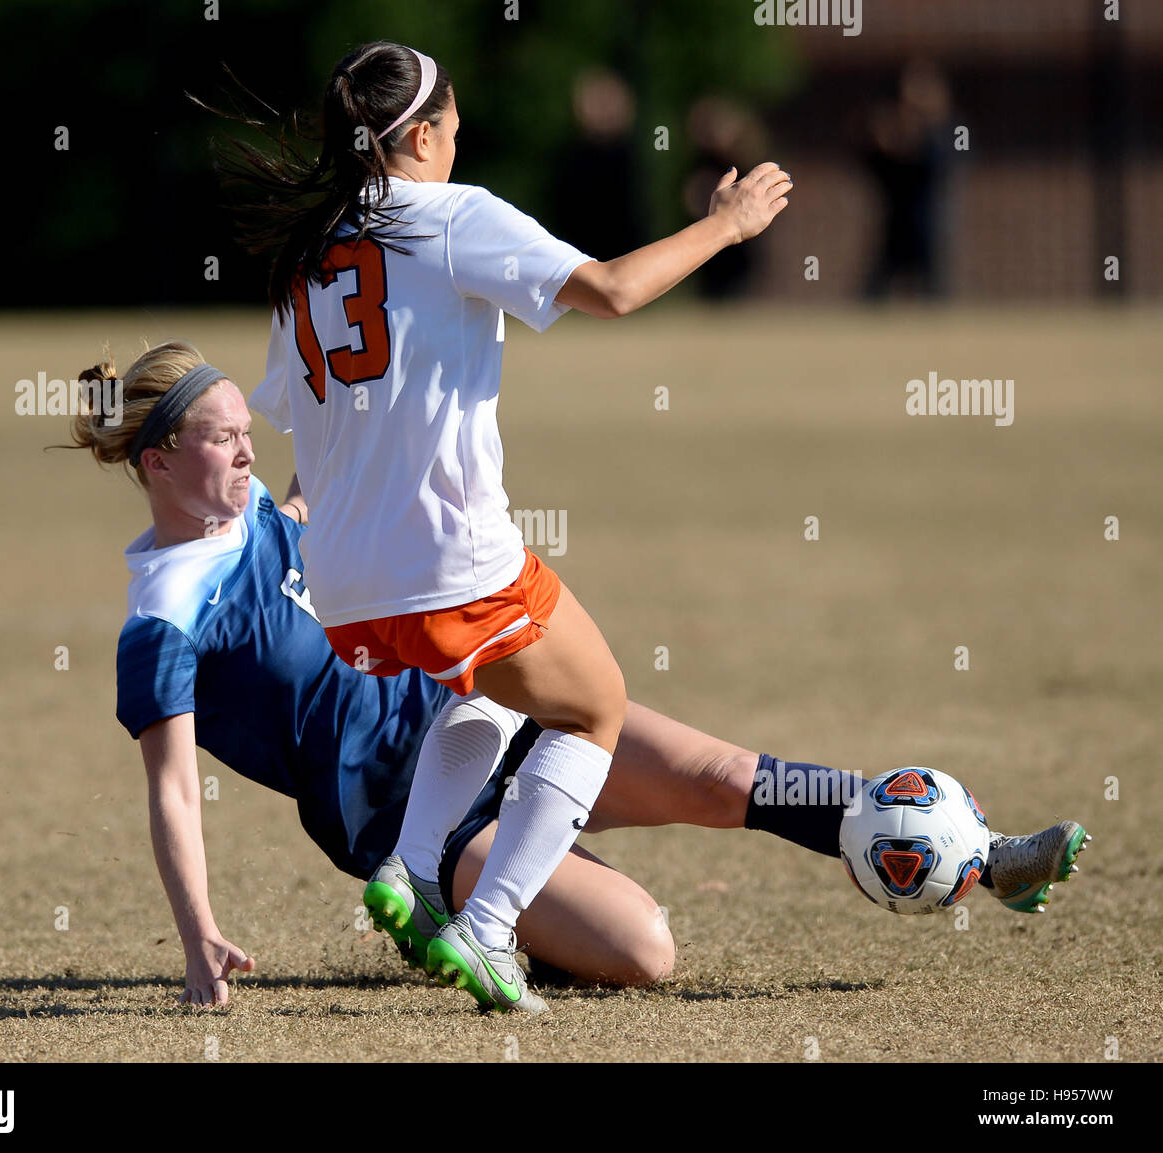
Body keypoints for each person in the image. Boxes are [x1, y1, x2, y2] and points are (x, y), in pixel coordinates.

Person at [66, 341, 1091, 1010]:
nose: (247, 452)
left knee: (729, 778)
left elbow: (330, 463)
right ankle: (444, 912)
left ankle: (982, 854)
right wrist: (198, 939)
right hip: (399, 812)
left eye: (251, 431)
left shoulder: (263, 517)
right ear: (157, 459)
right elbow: (171, 789)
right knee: (645, 949)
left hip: (492, 699)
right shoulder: (164, 614)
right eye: (222, 439)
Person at [234, 40, 794, 1014]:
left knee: (494, 692)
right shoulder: (453, 218)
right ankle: (488, 930)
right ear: (418, 134)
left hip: (340, 580)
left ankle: (409, 871)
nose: (459, 139)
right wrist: (727, 225)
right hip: (447, 560)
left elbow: (303, 423)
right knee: (591, 710)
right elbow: (614, 290)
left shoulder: (304, 252)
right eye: (450, 123)